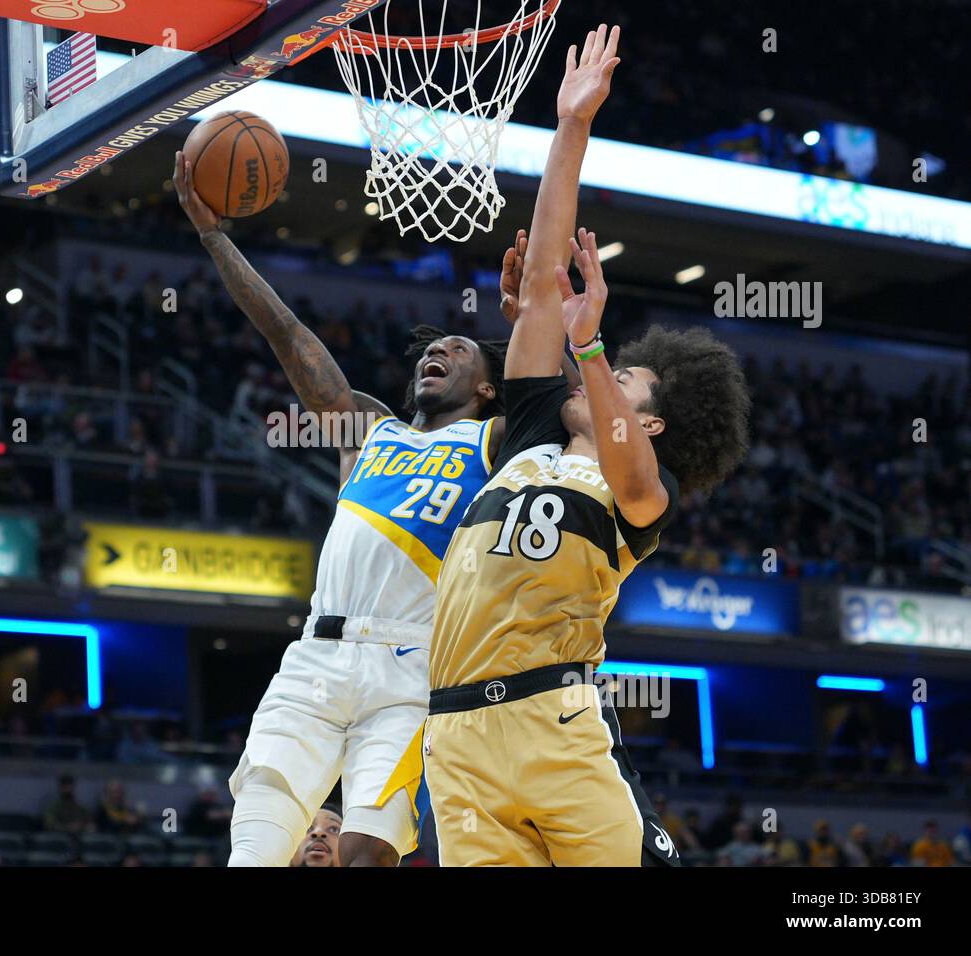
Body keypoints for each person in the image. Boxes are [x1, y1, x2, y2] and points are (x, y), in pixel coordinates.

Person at [411, 25, 750, 866]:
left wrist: (595, 349)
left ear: (655, 418)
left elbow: (627, 456)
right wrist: (570, 129)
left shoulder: (644, 490)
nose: (592, 380)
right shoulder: (528, 434)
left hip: (551, 724)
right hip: (454, 733)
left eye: (629, 381)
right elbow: (538, 290)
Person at [175, 128, 547, 867]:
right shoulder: (368, 429)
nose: (437, 351)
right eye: (430, 349)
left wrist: (537, 313)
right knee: (254, 851)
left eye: (458, 350)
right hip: (316, 655)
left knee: (369, 855)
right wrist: (215, 238)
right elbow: (286, 333)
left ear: (485, 387)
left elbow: (550, 397)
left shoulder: (493, 440)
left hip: (411, 669)